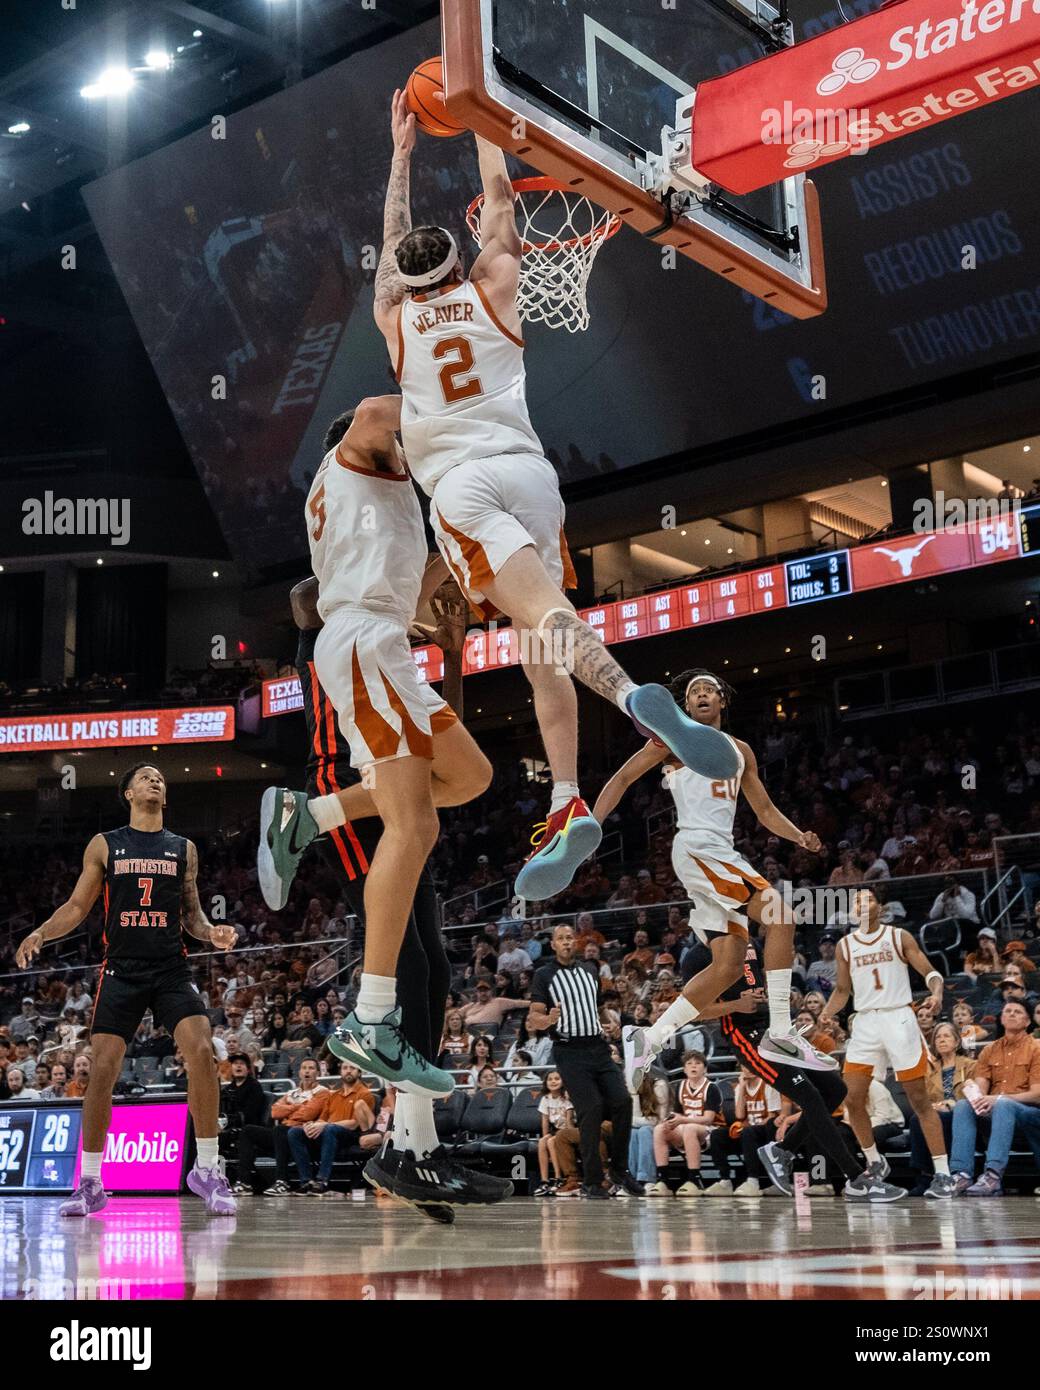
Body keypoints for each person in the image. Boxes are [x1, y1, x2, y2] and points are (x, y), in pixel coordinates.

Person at [371, 93, 738, 902]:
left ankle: (635, 695)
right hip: (531, 476)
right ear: (460, 267)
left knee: (546, 628)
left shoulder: (394, 319)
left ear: (405, 278)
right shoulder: (496, 281)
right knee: (540, 638)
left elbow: (391, 242)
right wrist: (479, 118)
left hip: (463, 488)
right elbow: (499, 203)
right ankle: (565, 797)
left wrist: (402, 150)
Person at [258, 397, 493, 1102]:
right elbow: (374, 408)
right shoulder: (350, 456)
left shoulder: (394, 503)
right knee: (415, 822)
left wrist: (454, 593)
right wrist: (453, 358)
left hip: (387, 642)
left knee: (470, 776)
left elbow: (409, 589)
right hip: (361, 643)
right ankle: (369, 1017)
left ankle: (310, 816)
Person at [267, 575, 508, 1217]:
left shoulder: (389, 651)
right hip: (346, 792)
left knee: (434, 969)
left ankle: (415, 1148)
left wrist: (452, 652)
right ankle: (411, 1148)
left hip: (399, 795)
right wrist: (384, 587)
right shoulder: (338, 630)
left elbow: (439, 740)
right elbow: (300, 599)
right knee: (407, 964)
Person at [15, 763, 238, 1216]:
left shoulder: (183, 849)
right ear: (129, 793)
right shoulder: (106, 844)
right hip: (121, 970)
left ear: (164, 796)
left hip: (171, 967)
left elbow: (193, 917)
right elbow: (79, 905)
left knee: (201, 1051)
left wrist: (212, 932)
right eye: (146, 777)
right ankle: (92, 1181)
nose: (156, 780)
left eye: (161, 778)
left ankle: (209, 1171)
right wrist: (41, 931)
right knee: (102, 1069)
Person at [596, 669, 834, 1084]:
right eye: (694, 692)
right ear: (685, 706)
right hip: (697, 847)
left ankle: (650, 1038)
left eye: (710, 690)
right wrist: (591, 826)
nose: (702, 695)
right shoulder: (673, 740)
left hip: (720, 851)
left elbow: (763, 811)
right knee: (782, 916)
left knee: (726, 967)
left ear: (722, 701)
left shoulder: (741, 750)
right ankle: (779, 1032)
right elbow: (621, 779)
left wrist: (799, 836)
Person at [819, 885, 956, 1198]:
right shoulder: (845, 945)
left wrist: (936, 992)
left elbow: (928, 970)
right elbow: (842, 991)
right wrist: (826, 1014)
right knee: (851, 1098)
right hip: (866, 1021)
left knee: (919, 1098)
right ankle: (874, 1163)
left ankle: (944, 1174)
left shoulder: (898, 937)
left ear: (879, 907)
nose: (862, 904)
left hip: (899, 1017)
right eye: (856, 900)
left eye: (867, 899)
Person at [527, 924, 642, 1198]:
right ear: (553, 945)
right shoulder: (544, 975)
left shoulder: (590, 970)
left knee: (623, 1102)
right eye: (560, 939)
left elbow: (596, 1006)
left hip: (598, 1047)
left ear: (576, 942)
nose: (566, 942)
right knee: (591, 1108)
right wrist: (548, 1020)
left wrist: (607, 1024)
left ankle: (619, 1170)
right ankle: (591, 1181)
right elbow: (534, 1017)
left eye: (570, 938)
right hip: (569, 1050)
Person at [949, 999, 1040, 1196]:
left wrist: (998, 1099)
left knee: (1004, 1104)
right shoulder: (990, 1050)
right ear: (1001, 1018)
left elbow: (1037, 1094)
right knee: (964, 1105)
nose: (1011, 1014)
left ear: (1027, 1021)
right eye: (1007, 1011)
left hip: (1029, 1114)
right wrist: (972, 1089)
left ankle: (993, 1175)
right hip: (998, 1113)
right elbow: (981, 1090)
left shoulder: (1036, 1048)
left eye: (1017, 1011)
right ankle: (961, 1174)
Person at [285, 1061, 376, 1195]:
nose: (348, 1071)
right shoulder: (332, 1095)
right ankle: (306, 1181)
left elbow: (355, 1123)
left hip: (351, 1135)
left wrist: (326, 1125)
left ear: (359, 1073)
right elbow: (323, 1119)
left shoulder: (364, 1094)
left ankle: (322, 1181)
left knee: (330, 1129)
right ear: (340, 1072)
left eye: (352, 1068)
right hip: (329, 1133)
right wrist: (312, 1126)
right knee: (294, 1132)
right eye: (345, 1068)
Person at [907, 1023, 976, 1196]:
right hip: (936, 1111)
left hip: (962, 1113)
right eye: (938, 1037)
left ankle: (940, 1175)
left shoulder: (970, 1065)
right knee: (918, 1119)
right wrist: (931, 1106)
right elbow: (922, 1097)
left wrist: (951, 1104)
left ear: (957, 1041)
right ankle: (924, 1176)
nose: (942, 1040)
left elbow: (976, 1094)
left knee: (936, 1119)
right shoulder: (928, 1069)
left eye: (946, 1036)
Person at [647, 1052, 723, 1196]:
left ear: (705, 1069)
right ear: (684, 1069)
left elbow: (708, 1119)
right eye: (689, 1063)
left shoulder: (711, 1088)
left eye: (698, 1063)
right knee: (659, 1129)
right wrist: (671, 1121)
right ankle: (663, 1181)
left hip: (710, 1131)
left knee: (689, 1128)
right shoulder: (681, 1086)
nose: (693, 1066)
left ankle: (694, 1180)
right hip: (686, 1127)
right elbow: (678, 1114)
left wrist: (682, 1120)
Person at [704, 1064, 781, 1197]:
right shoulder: (740, 1087)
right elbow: (739, 1115)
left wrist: (750, 1127)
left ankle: (753, 1181)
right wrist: (742, 1088)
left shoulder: (768, 1085)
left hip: (766, 1133)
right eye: (745, 1066)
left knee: (748, 1132)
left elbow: (772, 1117)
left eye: (753, 1066)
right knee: (717, 1135)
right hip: (748, 1134)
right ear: (741, 1068)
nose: (749, 1069)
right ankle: (725, 1181)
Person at [533, 1070, 574, 1196]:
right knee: (542, 1141)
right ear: (546, 1083)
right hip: (555, 1129)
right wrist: (545, 1135)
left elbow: (569, 1122)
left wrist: (562, 1136)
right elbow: (545, 1121)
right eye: (550, 1079)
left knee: (551, 1142)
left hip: (566, 1131)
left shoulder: (566, 1098)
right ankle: (544, 1181)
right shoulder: (545, 1099)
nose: (553, 1081)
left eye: (557, 1078)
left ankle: (558, 1178)